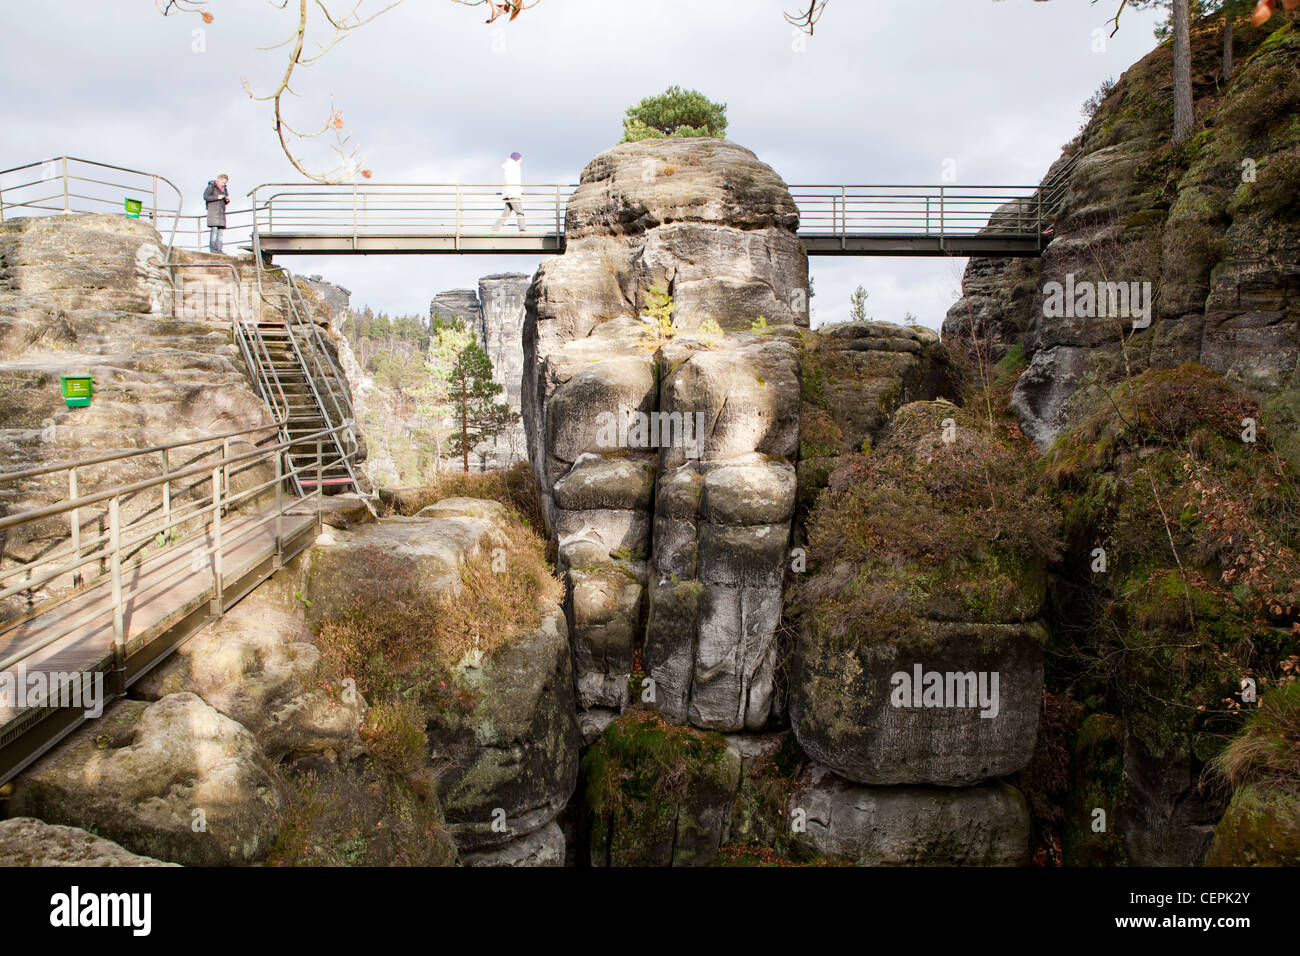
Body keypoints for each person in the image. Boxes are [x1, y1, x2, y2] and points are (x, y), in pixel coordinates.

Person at [492, 152, 526, 232]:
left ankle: (494, 228)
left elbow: (511, 180)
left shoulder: (509, 167)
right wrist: (517, 190)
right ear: (516, 159)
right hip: (513, 193)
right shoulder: (514, 167)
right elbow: (514, 181)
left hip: (509, 193)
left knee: (506, 213)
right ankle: (522, 229)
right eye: (520, 159)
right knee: (519, 212)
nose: (521, 161)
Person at [204, 174, 230, 253]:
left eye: (225, 183)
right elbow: (206, 197)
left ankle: (219, 250)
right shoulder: (211, 186)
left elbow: (225, 200)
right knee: (214, 232)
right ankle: (213, 250)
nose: (223, 184)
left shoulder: (225, 189)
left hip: (221, 213)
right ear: (219, 180)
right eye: (223, 182)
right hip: (213, 212)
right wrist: (217, 197)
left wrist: (227, 200)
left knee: (220, 234)